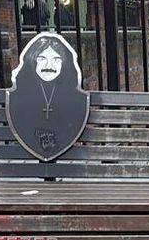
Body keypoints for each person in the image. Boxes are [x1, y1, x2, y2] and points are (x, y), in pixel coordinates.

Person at [5, 32, 89, 161]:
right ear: (32, 61)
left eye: (56, 60)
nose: (48, 66)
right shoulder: (18, 97)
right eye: (42, 59)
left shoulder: (77, 98)